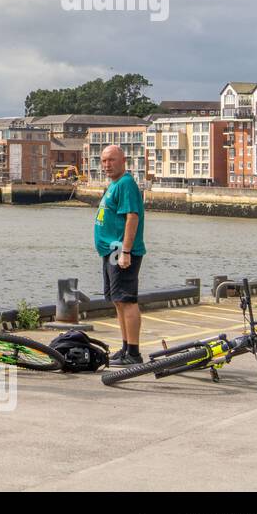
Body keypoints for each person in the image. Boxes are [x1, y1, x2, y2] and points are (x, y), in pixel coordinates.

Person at [96, 144, 146, 366]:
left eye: (111, 160)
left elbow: (132, 217)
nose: (107, 164)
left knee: (127, 300)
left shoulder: (125, 183)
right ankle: (125, 347)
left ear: (123, 160)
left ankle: (133, 353)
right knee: (118, 301)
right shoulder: (114, 184)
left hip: (121, 251)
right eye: (104, 160)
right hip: (111, 251)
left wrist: (125, 251)